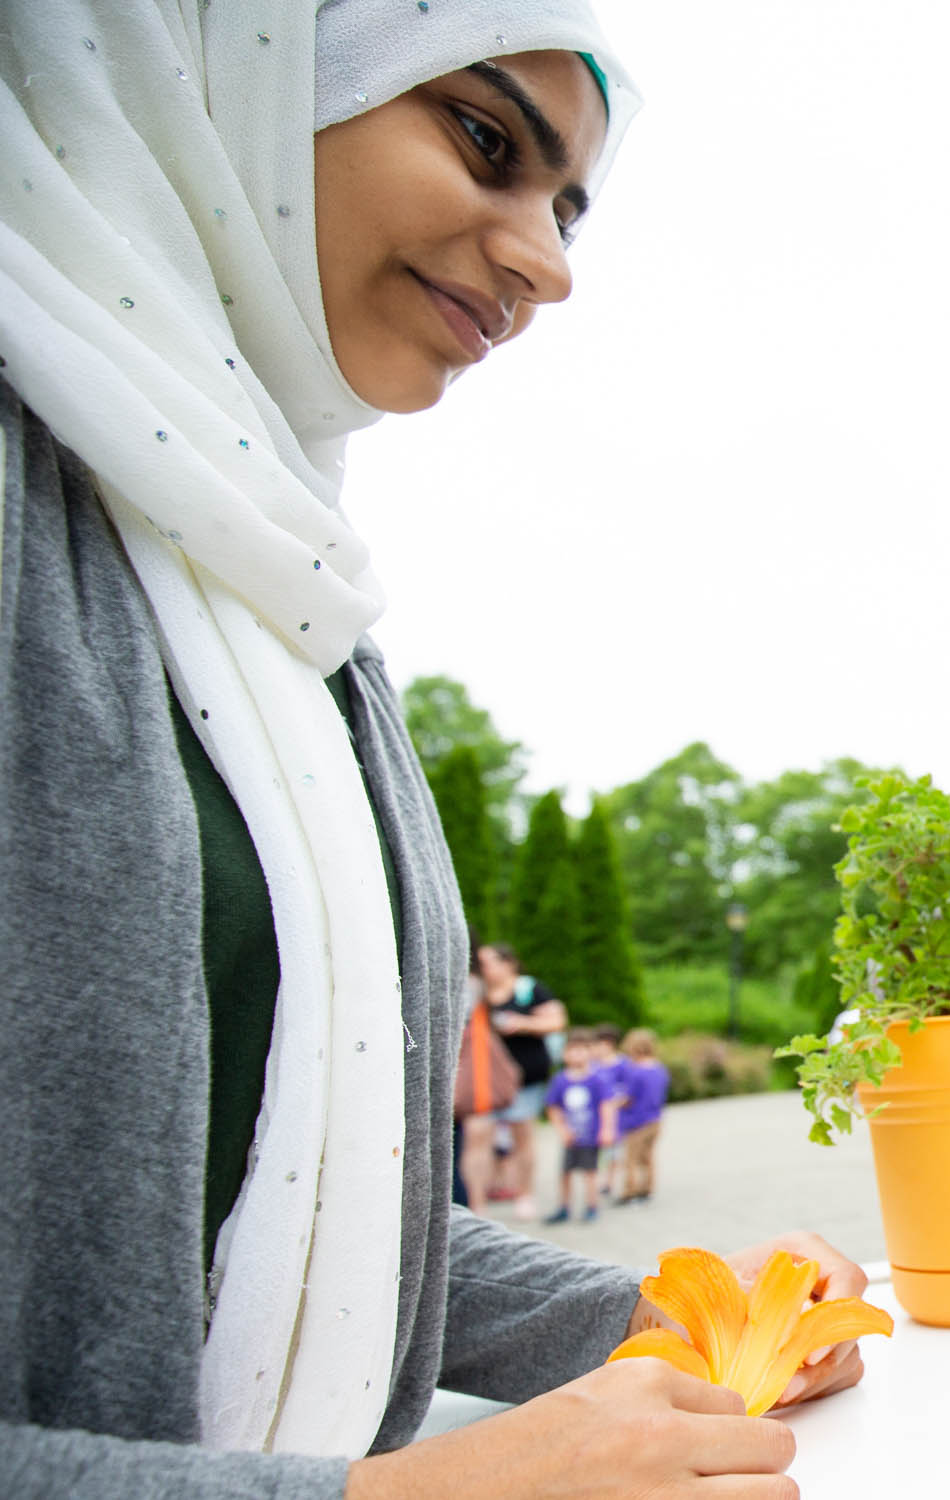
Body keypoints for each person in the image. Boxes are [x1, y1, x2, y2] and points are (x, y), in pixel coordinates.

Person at [0, 8, 862, 1494]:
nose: (550, 265)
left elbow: (283, 1206)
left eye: (568, 206)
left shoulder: (279, 588)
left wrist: (648, 1316)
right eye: (482, 136)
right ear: (221, 64)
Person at [481, 942, 565, 1218]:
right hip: (484, 1078)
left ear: (507, 963)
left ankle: (524, 1194)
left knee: (522, 1137)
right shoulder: (477, 991)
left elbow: (557, 1022)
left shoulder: (529, 990)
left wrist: (522, 1023)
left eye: (488, 962)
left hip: (524, 1077)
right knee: (483, 1137)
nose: (482, 968)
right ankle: (486, 1191)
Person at [453, 932, 519, 1215]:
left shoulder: (467, 985)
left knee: (468, 1147)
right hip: (471, 1079)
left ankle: (473, 1205)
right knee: (475, 1145)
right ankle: (476, 1207)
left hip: (465, 1077)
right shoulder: (476, 986)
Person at [543, 1030, 614, 1225]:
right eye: (572, 1051)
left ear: (590, 1052)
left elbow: (606, 1106)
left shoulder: (597, 1079)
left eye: (581, 1050)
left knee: (590, 1173)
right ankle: (564, 1207)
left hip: (591, 1137)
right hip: (570, 1138)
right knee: (565, 1173)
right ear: (565, 1054)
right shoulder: (560, 1080)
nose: (576, 1055)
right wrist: (562, 1130)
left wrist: (607, 1130)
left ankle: (592, 1206)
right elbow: (553, 1108)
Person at [616, 1027, 670, 1205]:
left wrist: (614, 1104)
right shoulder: (660, 1068)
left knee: (630, 1159)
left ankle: (629, 1192)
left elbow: (628, 1098)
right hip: (655, 1119)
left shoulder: (636, 1071)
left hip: (637, 1122)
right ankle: (647, 1188)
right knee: (647, 1157)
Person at [589, 1023, 627, 1199]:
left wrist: (615, 1104)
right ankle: (596, 1180)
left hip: (617, 1115)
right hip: (595, 1116)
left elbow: (628, 1090)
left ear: (608, 1044)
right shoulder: (593, 1066)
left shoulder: (623, 1064)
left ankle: (609, 1182)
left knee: (613, 1151)